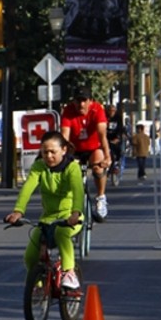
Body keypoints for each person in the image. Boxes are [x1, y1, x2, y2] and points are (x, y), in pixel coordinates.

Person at [3, 131, 84, 290]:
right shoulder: (39, 166)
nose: (49, 156)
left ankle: (69, 273)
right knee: (30, 256)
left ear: (63, 150)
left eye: (53, 152)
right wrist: (18, 211)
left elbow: (78, 190)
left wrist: (76, 212)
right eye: (45, 152)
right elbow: (27, 188)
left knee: (61, 233)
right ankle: (39, 287)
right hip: (47, 218)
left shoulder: (72, 167)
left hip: (70, 217)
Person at [60, 86, 111, 220]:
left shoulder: (97, 109)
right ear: (73, 101)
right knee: (67, 169)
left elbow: (102, 134)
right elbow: (64, 135)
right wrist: (62, 156)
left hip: (94, 148)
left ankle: (101, 198)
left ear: (90, 101)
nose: (81, 104)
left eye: (84, 100)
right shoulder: (68, 110)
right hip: (74, 149)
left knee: (98, 167)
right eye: (78, 101)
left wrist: (107, 156)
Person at [104, 103, 125, 185]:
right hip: (106, 138)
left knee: (117, 151)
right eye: (110, 111)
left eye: (113, 111)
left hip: (115, 138)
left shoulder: (118, 118)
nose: (111, 112)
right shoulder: (105, 117)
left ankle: (116, 164)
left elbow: (120, 128)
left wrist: (118, 137)